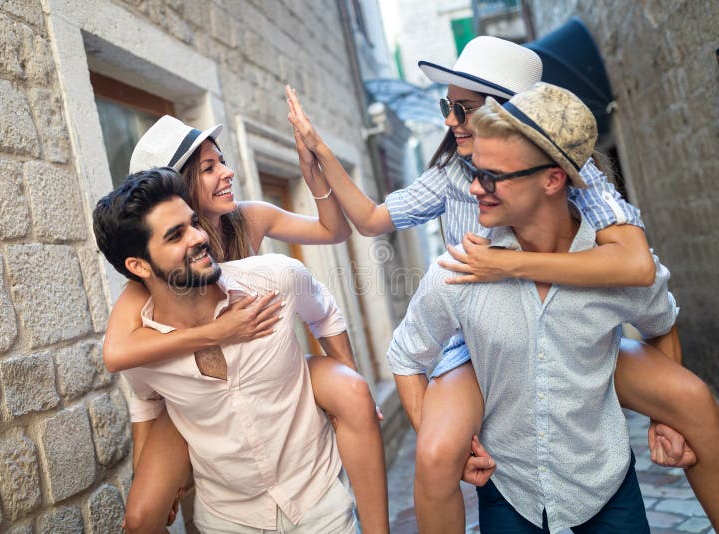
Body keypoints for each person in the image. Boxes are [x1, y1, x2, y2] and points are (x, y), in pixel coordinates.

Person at [286, 35, 719, 531]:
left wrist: (512, 266)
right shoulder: (453, 179)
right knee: (437, 453)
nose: (450, 120)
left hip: (572, 328)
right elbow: (370, 219)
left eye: (462, 108)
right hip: (477, 336)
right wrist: (319, 153)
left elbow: (639, 272)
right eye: (447, 106)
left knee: (691, 401)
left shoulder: (583, 182)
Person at [389, 82, 675, 532]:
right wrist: (446, 440)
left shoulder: (616, 270)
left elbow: (662, 322)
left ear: (552, 179)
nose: (475, 189)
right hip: (509, 492)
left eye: (491, 176)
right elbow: (407, 355)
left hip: (606, 488)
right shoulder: (460, 269)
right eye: (474, 171)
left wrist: (666, 414)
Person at [104, 116, 389, 533]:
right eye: (208, 168)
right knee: (152, 507)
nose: (227, 172)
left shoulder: (252, 230)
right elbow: (125, 365)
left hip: (268, 364)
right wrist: (217, 332)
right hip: (194, 394)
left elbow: (333, 234)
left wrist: (315, 177)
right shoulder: (146, 289)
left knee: (348, 391)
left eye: (221, 161)